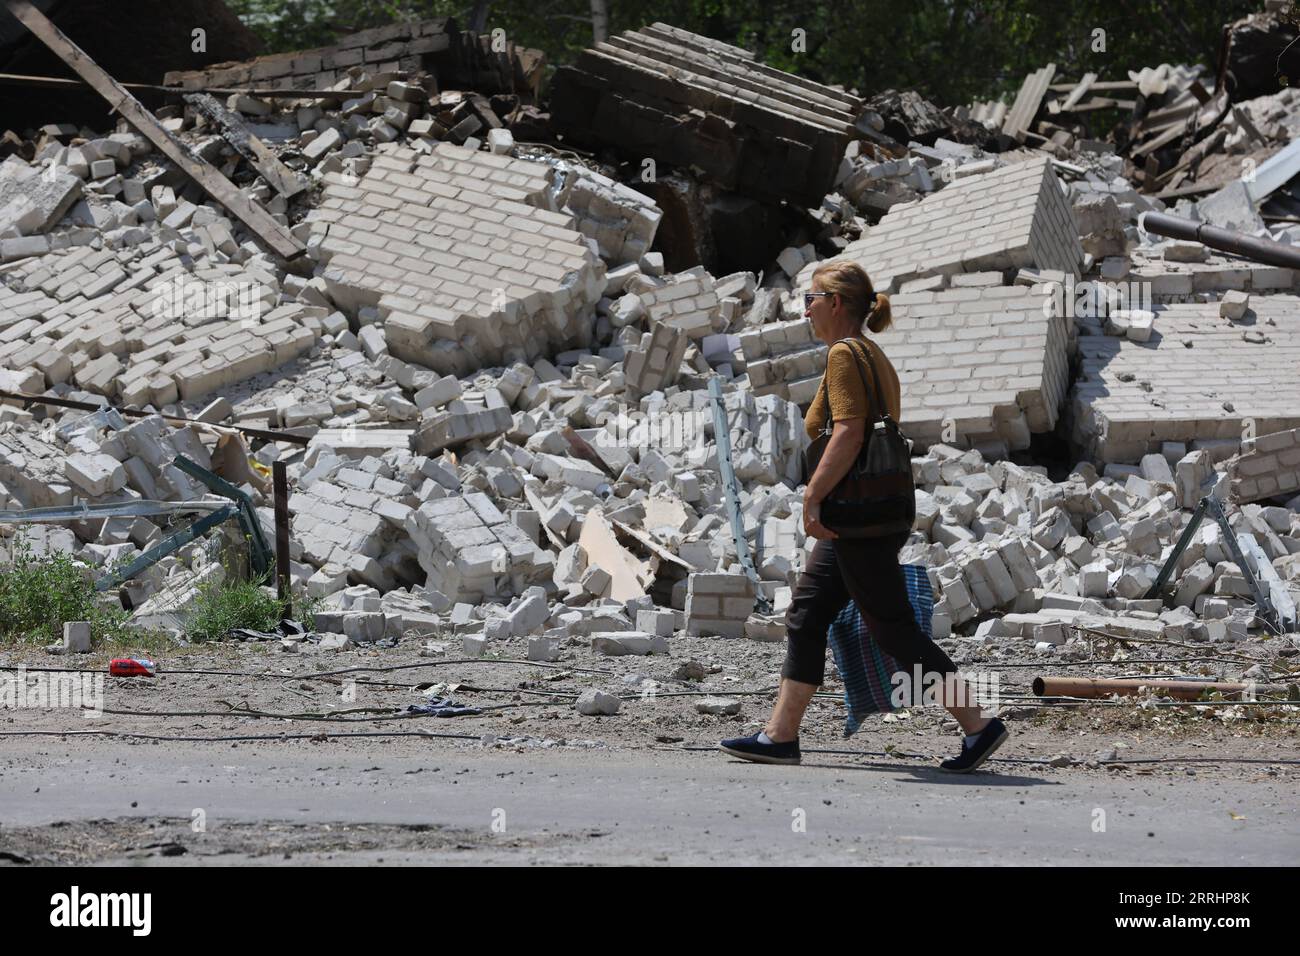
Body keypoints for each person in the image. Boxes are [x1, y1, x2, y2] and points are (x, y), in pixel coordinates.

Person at [720, 261, 1009, 772]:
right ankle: (780, 736)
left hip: (857, 519)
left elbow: (850, 432)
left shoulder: (843, 356)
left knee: (893, 629)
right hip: (865, 516)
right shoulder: (873, 355)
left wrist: (812, 496)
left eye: (811, 298)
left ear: (836, 303)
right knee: (807, 615)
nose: (805, 307)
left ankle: (979, 724)